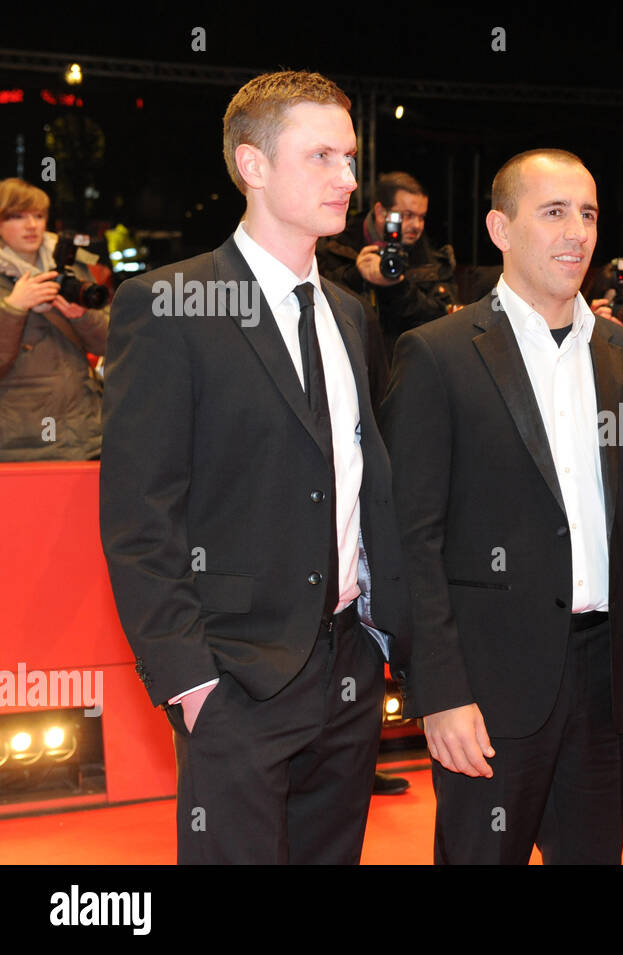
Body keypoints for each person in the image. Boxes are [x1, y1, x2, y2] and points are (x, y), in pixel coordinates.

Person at [99, 71, 408, 864]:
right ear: (254, 165)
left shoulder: (348, 311)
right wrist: (191, 681)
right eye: (322, 157)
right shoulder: (168, 304)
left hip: (350, 667)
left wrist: (380, 640)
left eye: (350, 157)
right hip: (234, 677)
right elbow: (141, 516)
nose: (348, 179)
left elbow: (365, 480)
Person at [380, 148, 623, 864]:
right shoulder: (438, 354)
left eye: (587, 214)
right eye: (553, 212)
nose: (576, 232)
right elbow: (411, 539)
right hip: (487, 687)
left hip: (608, 681)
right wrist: (440, 692)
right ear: (500, 227)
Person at [0, 178, 110, 461]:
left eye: (38, 216)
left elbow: (111, 343)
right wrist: (14, 307)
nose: (31, 225)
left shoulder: (70, 265)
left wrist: (83, 317)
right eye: (17, 216)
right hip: (20, 444)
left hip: (83, 435)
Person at [316, 170, 459, 360]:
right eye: (407, 215)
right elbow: (318, 307)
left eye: (421, 217)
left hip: (408, 367)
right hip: (352, 363)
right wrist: (356, 276)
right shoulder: (336, 248)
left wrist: (397, 287)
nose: (417, 225)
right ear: (381, 213)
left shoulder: (433, 261)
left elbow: (445, 322)